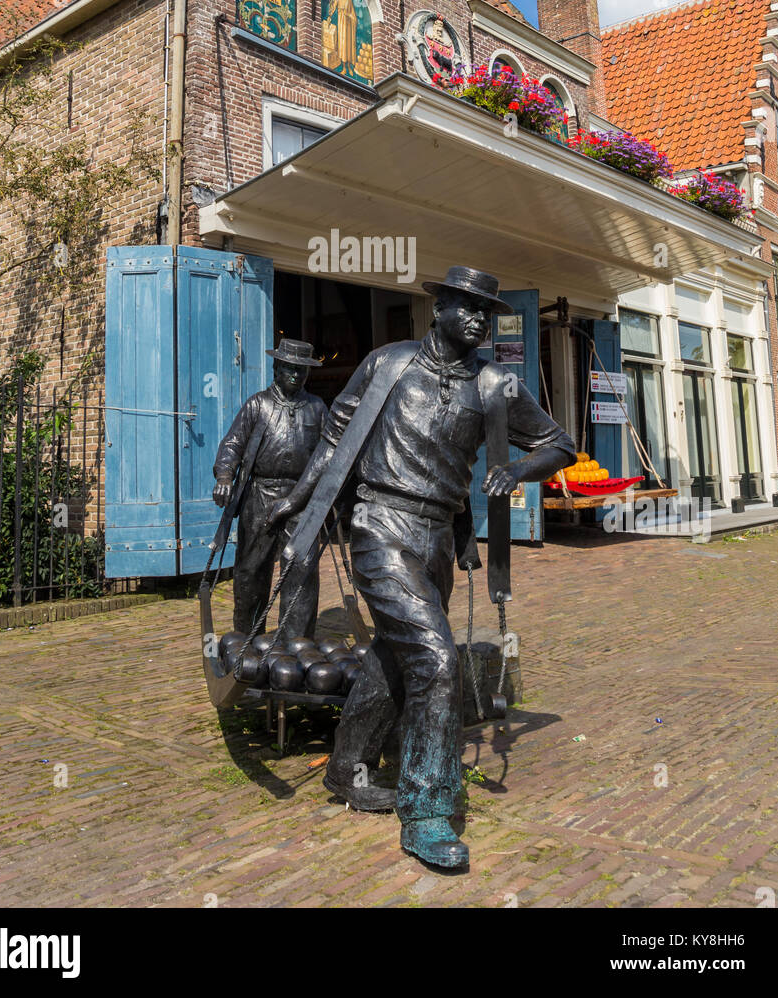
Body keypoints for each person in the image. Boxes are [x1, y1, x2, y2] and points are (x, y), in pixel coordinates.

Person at [266, 266, 575, 869]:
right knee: (435, 658)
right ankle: (428, 809)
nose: (477, 319)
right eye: (465, 306)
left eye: (486, 310)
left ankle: (347, 766)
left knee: (394, 655)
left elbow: (559, 444)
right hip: (380, 523)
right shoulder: (388, 364)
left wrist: (516, 470)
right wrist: (298, 505)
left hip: (438, 537)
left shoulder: (494, 387)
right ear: (438, 309)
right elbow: (334, 442)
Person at [213, 338, 327, 639]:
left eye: (301, 370)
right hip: (260, 495)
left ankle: (297, 640)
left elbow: (329, 453)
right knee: (252, 568)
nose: (295, 375)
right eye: (289, 368)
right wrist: (225, 476)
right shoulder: (257, 404)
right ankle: (248, 636)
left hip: (301, 498)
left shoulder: (316, 408)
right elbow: (232, 444)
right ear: (276, 368)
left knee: (301, 570)